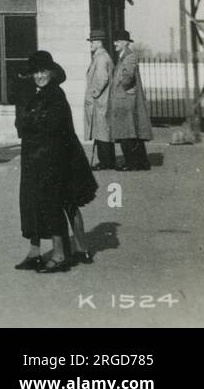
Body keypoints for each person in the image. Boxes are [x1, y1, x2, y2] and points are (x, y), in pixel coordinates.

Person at [15, 50, 97, 274]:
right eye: (36, 72)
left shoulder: (54, 95)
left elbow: (44, 126)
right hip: (39, 157)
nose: (40, 75)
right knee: (37, 202)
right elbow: (22, 126)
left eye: (43, 71)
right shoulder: (36, 94)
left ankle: (65, 253)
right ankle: (41, 252)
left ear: (51, 72)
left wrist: (28, 119)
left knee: (60, 203)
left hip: (57, 157)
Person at [107, 30, 152, 171]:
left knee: (126, 133)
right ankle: (140, 163)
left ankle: (132, 163)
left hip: (124, 101)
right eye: (115, 41)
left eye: (118, 41)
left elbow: (128, 77)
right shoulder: (124, 56)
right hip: (125, 100)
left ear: (126, 42)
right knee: (131, 133)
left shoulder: (128, 57)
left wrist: (124, 88)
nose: (115, 43)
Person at [83, 30, 115, 170]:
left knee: (102, 132)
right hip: (102, 101)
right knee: (103, 132)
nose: (90, 43)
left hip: (101, 102)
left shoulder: (101, 58)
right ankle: (107, 161)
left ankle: (106, 162)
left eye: (92, 41)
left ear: (98, 42)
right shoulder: (101, 56)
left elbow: (102, 78)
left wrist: (93, 94)